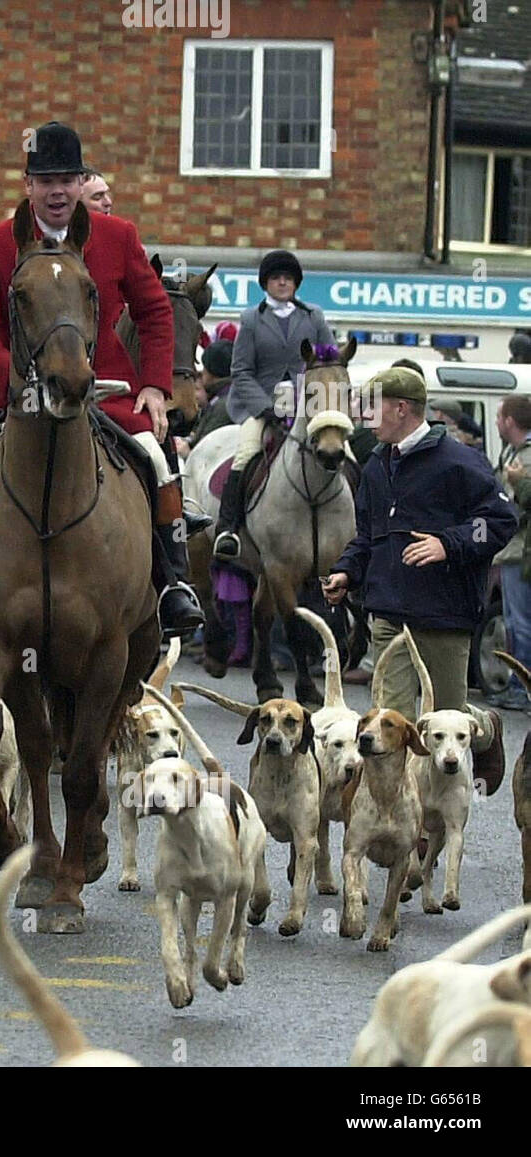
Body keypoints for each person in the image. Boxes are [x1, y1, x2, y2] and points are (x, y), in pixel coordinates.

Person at [0, 120, 205, 642]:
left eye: (68, 179)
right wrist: (9, 374)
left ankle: (173, 582)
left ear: (82, 184)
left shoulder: (117, 236)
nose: (58, 191)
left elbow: (155, 311)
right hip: (7, 387)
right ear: (28, 185)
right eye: (46, 180)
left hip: (102, 383)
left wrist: (154, 384)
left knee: (155, 456)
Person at [322, 366, 515, 793]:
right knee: (390, 725)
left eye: (372, 407)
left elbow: (500, 522)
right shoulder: (375, 464)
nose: (364, 417)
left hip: (443, 614)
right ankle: (403, 823)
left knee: (446, 723)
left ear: (401, 408)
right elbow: (369, 535)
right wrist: (346, 571)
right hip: (389, 615)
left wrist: (450, 543)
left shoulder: (460, 461)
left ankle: (486, 725)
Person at [212, 249, 336, 559]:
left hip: (308, 404)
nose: (283, 283)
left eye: (288, 278)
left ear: (296, 283)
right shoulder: (252, 319)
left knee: (340, 451)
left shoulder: (313, 316)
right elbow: (240, 371)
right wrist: (263, 406)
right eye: (276, 278)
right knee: (246, 453)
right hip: (262, 403)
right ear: (266, 283)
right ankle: (229, 528)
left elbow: (330, 362)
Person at [491, 393, 531, 711]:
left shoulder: (525, 458)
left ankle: (521, 687)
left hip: (520, 550)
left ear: (509, 421)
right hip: (517, 551)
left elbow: (517, 508)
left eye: (498, 416)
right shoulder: (517, 452)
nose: (496, 422)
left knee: (519, 624)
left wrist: (515, 484)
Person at [183, 338, 234, 450]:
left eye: (205, 368)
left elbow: (205, 448)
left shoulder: (223, 404)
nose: (202, 373)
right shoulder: (224, 397)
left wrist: (185, 451)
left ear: (212, 370)